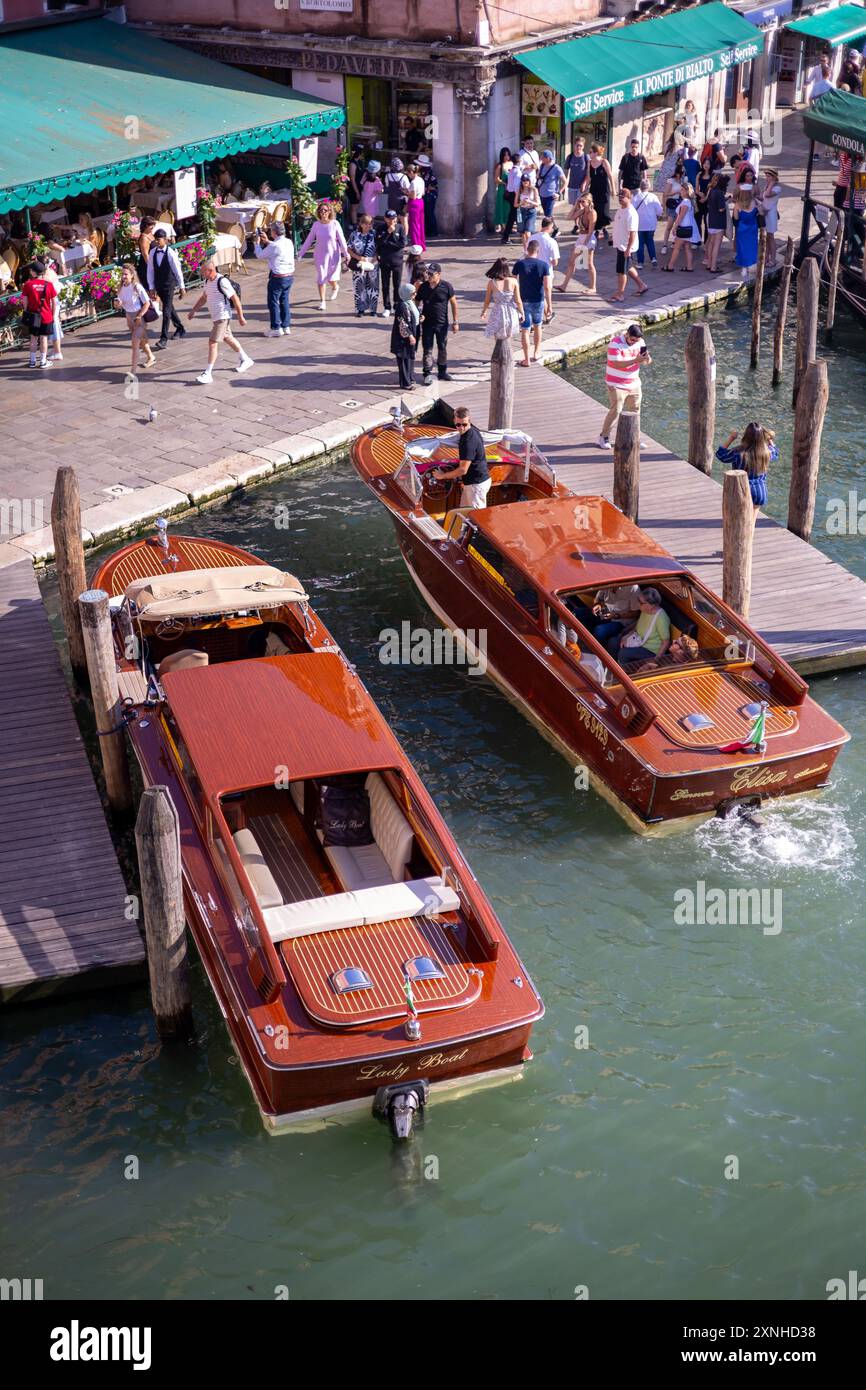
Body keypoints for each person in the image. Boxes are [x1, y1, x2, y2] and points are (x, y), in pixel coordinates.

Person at [187, 257, 253, 384]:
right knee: (228, 338)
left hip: (222, 317)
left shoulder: (222, 281)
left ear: (210, 270)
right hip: (216, 317)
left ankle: (208, 373)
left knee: (212, 342)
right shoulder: (207, 282)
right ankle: (245, 359)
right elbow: (204, 298)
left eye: (203, 271)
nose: (201, 273)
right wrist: (193, 310)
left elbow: (235, 299)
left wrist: (241, 316)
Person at [597, 323, 650, 450]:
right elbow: (616, 364)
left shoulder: (640, 342)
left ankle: (634, 437)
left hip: (634, 383)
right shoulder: (615, 343)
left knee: (635, 411)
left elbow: (647, 361)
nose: (634, 342)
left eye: (636, 340)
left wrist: (646, 359)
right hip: (616, 384)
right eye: (632, 339)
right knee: (616, 411)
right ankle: (603, 436)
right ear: (627, 334)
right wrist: (636, 360)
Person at [431, 407, 491, 508]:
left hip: (476, 485)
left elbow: (463, 470)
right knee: (463, 512)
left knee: (474, 518)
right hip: (473, 484)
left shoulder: (468, 442)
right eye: (458, 425)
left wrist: (443, 476)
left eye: (464, 424)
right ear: (454, 421)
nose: (461, 428)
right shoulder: (473, 431)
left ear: (469, 421)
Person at [298, 201, 349, 310]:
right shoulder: (316, 225)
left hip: (333, 256)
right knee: (321, 278)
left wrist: (346, 254)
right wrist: (301, 253)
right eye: (321, 211)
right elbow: (309, 240)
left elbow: (342, 240)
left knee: (330, 278)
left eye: (325, 210)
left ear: (329, 211)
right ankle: (322, 301)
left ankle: (335, 287)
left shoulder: (335, 224)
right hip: (320, 256)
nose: (323, 213)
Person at [716, 423, 777, 507]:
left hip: (741, 490)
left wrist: (731, 438)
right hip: (760, 491)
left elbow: (721, 455)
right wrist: (769, 439)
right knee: (752, 519)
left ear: (746, 436)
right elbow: (775, 450)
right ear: (762, 437)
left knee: (739, 518)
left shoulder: (738, 452)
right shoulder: (767, 453)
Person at [416, 262, 459, 384]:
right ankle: (427, 373)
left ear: (438, 274)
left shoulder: (446, 286)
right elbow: (417, 302)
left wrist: (455, 322)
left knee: (442, 348)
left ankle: (442, 371)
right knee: (427, 349)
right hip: (427, 324)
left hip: (442, 324)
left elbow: (454, 303)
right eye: (427, 273)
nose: (428, 276)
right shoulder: (423, 287)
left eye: (431, 274)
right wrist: (418, 315)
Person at [607, 587, 671, 667]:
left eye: (641, 602)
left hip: (649, 650)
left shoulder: (661, 618)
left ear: (651, 605)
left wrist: (655, 660)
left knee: (624, 653)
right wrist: (626, 635)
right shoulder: (645, 611)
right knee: (613, 642)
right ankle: (611, 667)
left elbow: (666, 642)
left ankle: (623, 674)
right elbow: (638, 625)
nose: (638, 604)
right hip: (638, 640)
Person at [513, 239, 552, 366]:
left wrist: (514, 299)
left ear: (527, 250)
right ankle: (536, 352)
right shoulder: (544, 265)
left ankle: (526, 359)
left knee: (525, 329)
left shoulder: (519, 264)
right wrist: (549, 305)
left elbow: (513, 282)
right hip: (539, 300)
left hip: (523, 300)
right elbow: (547, 287)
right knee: (538, 326)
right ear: (538, 251)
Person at [252, 218, 294, 337]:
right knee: (284, 301)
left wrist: (256, 243)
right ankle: (286, 326)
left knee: (273, 302)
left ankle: (276, 327)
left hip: (278, 277)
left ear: (274, 232)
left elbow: (259, 255)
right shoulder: (288, 242)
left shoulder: (274, 246)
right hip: (289, 276)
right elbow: (277, 247)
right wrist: (268, 241)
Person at [147, 226, 186, 347]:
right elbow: (150, 271)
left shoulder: (170, 253)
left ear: (165, 239)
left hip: (169, 285)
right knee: (169, 308)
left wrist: (182, 286)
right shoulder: (153, 252)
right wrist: (151, 287)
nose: (157, 241)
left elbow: (177, 270)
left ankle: (163, 339)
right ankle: (180, 328)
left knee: (166, 311)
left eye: (159, 239)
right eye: (156, 239)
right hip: (159, 284)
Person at [114, 261, 155, 375]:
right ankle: (151, 356)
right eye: (122, 274)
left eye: (126, 274)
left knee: (135, 344)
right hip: (129, 318)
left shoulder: (137, 287)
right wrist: (118, 304)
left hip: (138, 318)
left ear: (132, 275)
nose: (123, 277)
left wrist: (139, 316)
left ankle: (133, 371)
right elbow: (119, 304)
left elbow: (147, 303)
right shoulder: (120, 287)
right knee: (141, 340)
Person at [610, 188, 647, 300]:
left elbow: (633, 233)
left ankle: (620, 294)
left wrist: (628, 249)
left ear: (629, 198)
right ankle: (642, 285)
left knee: (621, 271)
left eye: (623, 197)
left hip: (625, 246)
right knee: (628, 267)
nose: (620, 199)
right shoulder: (620, 210)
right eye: (619, 197)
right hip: (620, 244)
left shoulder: (631, 213)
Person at [21, 259, 58, 370]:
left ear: (33, 272)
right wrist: (53, 314)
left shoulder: (28, 285)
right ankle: (43, 361)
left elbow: (24, 301)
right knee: (44, 339)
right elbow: (54, 302)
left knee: (33, 339)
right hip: (46, 316)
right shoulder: (49, 285)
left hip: (33, 316)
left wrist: (27, 311)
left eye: (31, 270)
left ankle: (32, 361)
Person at [556, 194, 597, 294]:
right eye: (580, 201)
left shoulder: (592, 213)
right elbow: (569, 217)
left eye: (583, 201)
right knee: (572, 262)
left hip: (588, 238)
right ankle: (564, 285)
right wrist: (575, 206)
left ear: (589, 202)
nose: (581, 203)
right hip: (581, 237)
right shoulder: (582, 211)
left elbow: (591, 231)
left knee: (589, 263)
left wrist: (584, 245)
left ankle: (593, 287)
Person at [480, 257, 524, 341]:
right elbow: (518, 300)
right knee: (508, 337)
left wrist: (484, 311)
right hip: (511, 311)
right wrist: (522, 312)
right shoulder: (513, 281)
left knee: (498, 338)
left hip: (498, 311)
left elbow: (487, 300)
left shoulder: (491, 283)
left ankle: (498, 353)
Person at [663, 182, 701, 272]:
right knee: (687, 247)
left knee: (677, 247)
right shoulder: (689, 201)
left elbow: (681, 216)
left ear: (686, 191)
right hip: (689, 228)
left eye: (682, 190)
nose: (680, 191)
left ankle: (670, 266)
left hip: (684, 227)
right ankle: (689, 266)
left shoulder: (685, 202)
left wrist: (675, 227)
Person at [346, 213, 380, 316]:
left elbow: (380, 247)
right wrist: (358, 258)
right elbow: (348, 248)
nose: (367, 226)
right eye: (365, 223)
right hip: (359, 263)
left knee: (373, 286)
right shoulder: (354, 235)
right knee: (359, 286)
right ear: (360, 224)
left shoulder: (374, 234)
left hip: (372, 263)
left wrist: (375, 258)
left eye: (370, 223)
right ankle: (360, 309)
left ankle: (373, 309)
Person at [375, 209, 406, 317]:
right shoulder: (380, 228)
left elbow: (402, 244)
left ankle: (396, 305)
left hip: (397, 260)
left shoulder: (400, 228)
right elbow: (378, 242)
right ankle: (387, 306)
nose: (393, 221)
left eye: (394, 218)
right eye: (390, 218)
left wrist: (388, 243)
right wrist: (388, 232)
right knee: (385, 285)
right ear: (385, 219)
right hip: (385, 260)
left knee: (397, 284)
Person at [390, 281, 420, 390]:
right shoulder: (402, 306)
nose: (415, 295)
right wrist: (410, 335)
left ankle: (410, 378)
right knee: (404, 359)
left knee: (410, 357)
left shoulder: (410, 303)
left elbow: (413, 316)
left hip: (410, 334)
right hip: (403, 338)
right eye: (413, 293)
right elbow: (402, 323)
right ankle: (405, 383)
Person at [588, 143, 615, 246]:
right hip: (593, 189)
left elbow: (610, 176)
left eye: (590, 152)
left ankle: (603, 228)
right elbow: (589, 177)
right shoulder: (589, 163)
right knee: (595, 209)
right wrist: (585, 188)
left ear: (595, 153)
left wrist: (613, 190)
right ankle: (598, 229)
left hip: (604, 189)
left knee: (604, 210)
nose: (589, 154)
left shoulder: (604, 162)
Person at [632, 178, 662, 270]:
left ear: (640, 187)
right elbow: (659, 211)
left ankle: (640, 262)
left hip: (639, 224)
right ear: (648, 187)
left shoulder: (636, 197)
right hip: (651, 224)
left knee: (640, 243)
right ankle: (653, 258)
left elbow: (632, 211)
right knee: (650, 241)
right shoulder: (653, 197)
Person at [703, 173, 730, 272]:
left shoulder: (711, 191)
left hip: (711, 220)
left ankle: (709, 264)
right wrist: (726, 201)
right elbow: (721, 209)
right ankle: (713, 267)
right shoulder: (719, 193)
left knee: (711, 243)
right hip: (719, 221)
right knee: (716, 245)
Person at [732, 189, 760, 281]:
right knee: (752, 246)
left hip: (742, 229)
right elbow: (762, 211)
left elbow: (736, 218)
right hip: (752, 228)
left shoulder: (737, 204)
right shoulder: (754, 202)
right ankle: (751, 265)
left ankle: (744, 268)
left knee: (742, 248)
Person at [661, 157, 686, 254]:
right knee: (669, 226)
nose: (681, 176)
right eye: (681, 174)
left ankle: (675, 242)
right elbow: (666, 194)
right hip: (672, 205)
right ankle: (664, 245)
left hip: (680, 204)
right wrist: (675, 192)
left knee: (679, 225)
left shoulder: (683, 181)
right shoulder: (670, 181)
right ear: (677, 173)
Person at [565, 137, 589, 230]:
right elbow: (566, 171)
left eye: (580, 145)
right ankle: (576, 225)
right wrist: (565, 183)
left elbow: (588, 172)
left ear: (583, 146)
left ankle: (582, 224)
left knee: (582, 206)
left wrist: (584, 183)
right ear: (574, 145)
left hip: (582, 186)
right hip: (572, 185)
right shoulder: (570, 157)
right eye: (577, 145)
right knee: (575, 206)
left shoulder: (586, 157)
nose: (578, 147)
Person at [43, 258, 64, 362]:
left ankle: (57, 352)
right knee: (55, 324)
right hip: (53, 302)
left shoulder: (46, 276)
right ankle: (56, 350)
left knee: (54, 325)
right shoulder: (50, 272)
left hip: (51, 303)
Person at [759, 169, 781, 265]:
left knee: (771, 236)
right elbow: (762, 197)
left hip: (771, 214)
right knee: (766, 237)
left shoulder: (777, 188)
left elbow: (767, 195)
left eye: (769, 176)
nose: (767, 178)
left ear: (774, 177)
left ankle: (773, 259)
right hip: (765, 212)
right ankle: (766, 257)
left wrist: (772, 183)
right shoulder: (766, 186)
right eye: (766, 176)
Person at [516, 172, 542, 250]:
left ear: (529, 181)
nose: (525, 182)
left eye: (527, 180)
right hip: (521, 212)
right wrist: (521, 203)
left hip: (531, 211)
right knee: (523, 233)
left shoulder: (534, 190)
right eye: (523, 180)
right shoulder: (519, 190)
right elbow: (515, 204)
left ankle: (531, 249)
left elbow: (537, 204)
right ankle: (525, 250)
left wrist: (530, 202)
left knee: (528, 232)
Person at [537, 149, 565, 223]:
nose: (541, 159)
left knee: (548, 216)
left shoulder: (556, 168)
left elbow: (565, 182)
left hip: (551, 195)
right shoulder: (542, 166)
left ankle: (547, 231)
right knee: (547, 214)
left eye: (543, 158)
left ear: (548, 158)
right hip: (542, 194)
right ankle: (555, 229)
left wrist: (559, 193)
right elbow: (538, 177)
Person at [501, 157, 525, 244]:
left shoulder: (512, 170)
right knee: (513, 216)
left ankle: (507, 236)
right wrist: (517, 198)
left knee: (513, 216)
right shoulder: (517, 172)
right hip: (514, 195)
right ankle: (506, 237)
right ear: (519, 161)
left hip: (509, 194)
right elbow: (516, 186)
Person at [384, 158, 411, 234]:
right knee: (404, 219)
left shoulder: (388, 176)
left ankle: (393, 235)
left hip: (392, 199)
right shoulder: (404, 177)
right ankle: (404, 238)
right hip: (402, 200)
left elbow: (387, 185)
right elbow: (408, 188)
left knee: (392, 219)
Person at [405, 163, 426, 252]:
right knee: (420, 224)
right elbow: (423, 192)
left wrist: (405, 192)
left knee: (414, 225)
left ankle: (416, 245)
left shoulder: (413, 182)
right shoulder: (421, 180)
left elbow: (412, 196)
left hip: (414, 203)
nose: (408, 175)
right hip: (421, 201)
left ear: (411, 172)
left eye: (408, 173)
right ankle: (421, 244)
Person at [417, 153, 438, 238]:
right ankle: (427, 230)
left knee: (429, 213)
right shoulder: (423, 172)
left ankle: (433, 231)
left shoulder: (429, 174)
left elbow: (434, 185)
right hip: (426, 196)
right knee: (427, 213)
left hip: (429, 197)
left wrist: (427, 189)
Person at [494, 147, 513, 234]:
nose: (506, 157)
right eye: (504, 155)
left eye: (508, 155)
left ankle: (509, 226)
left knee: (509, 208)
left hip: (511, 189)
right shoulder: (499, 166)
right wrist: (504, 183)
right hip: (503, 189)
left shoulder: (512, 164)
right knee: (502, 208)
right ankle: (502, 227)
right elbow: (496, 179)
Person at [695, 156, 714, 242]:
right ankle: (697, 241)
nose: (706, 165)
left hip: (709, 201)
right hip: (699, 199)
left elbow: (712, 189)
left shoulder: (713, 176)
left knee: (707, 222)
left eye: (708, 163)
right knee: (697, 221)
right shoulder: (699, 174)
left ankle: (706, 242)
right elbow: (696, 188)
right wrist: (699, 193)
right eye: (704, 163)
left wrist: (706, 197)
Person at [346, 144, 364, 225]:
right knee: (354, 206)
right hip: (353, 188)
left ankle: (353, 221)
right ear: (359, 154)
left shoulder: (358, 162)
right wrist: (356, 192)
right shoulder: (352, 163)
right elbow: (352, 178)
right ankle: (353, 224)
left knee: (355, 206)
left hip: (357, 187)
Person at [136, 216, 157, 284]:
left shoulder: (150, 233)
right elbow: (145, 255)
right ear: (145, 225)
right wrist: (152, 268)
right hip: (147, 267)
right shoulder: (144, 238)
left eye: (153, 224)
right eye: (151, 225)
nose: (153, 227)